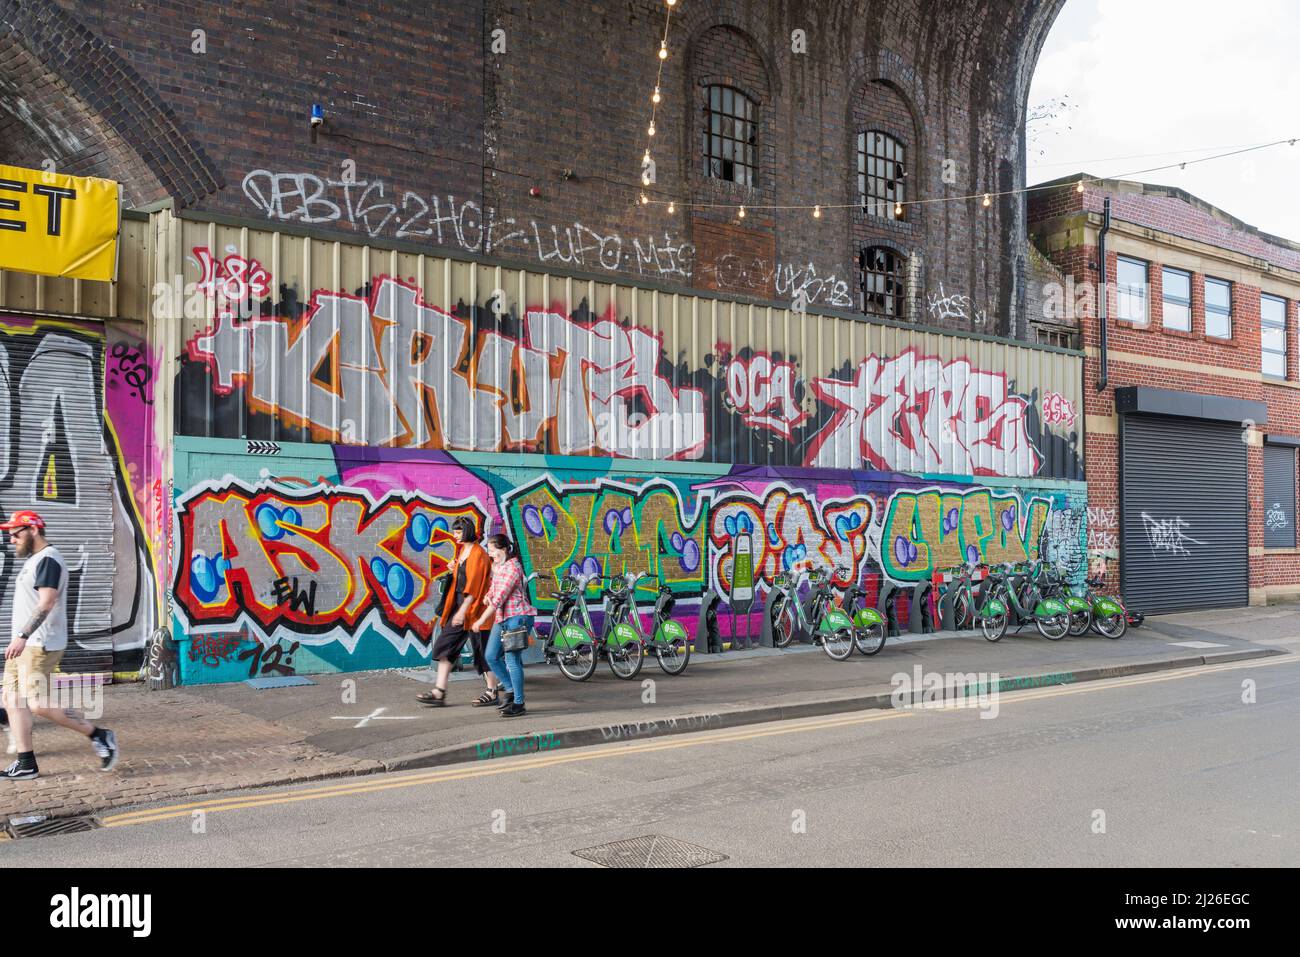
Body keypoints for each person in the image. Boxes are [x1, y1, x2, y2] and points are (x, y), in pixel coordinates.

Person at [1, 510, 118, 780]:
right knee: (11, 699)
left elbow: (47, 602)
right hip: (24, 645)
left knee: (37, 704)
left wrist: (22, 635)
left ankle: (99, 735)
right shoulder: (35, 560)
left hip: (38, 644)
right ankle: (26, 763)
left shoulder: (48, 559)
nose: (11, 540)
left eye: (15, 534)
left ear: (33, 530)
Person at [416, 517, 500, 707]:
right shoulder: (463, 551)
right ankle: (439, 691)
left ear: (467, 531)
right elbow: (462, 579)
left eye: (458, 532)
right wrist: (455, 568)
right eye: (454, 531)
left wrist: (462, 611)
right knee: (445, 646)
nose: (454, 535)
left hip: (475, 612)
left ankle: (492, 691)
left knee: (483, 652)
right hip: (459, 608)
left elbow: (474, 586)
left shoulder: (478, 554)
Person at [473, 534, 537, 718]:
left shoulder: (513, 568)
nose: (489, 553)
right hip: (502, 619)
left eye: (492, 550)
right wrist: (487, 596)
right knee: (491, 656)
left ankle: (518, 703)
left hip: (517, 618)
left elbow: (499, 598)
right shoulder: (499, 567)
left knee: (512, 660)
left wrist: (480, 620)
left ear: (503, 549)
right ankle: (510, 690)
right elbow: (494, 590)